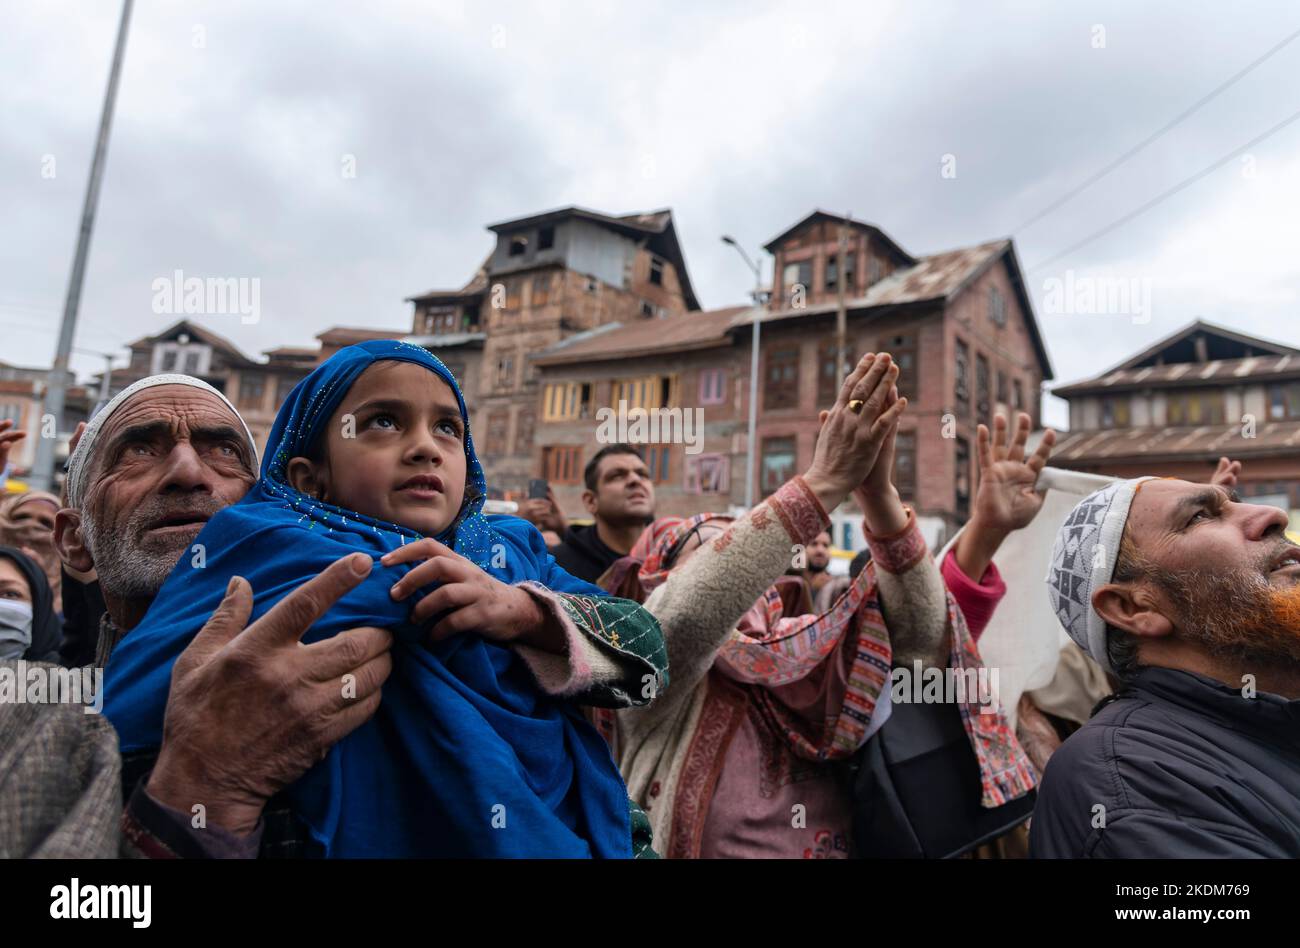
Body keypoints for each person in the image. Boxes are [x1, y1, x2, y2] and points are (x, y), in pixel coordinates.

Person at [101, 341, 667, 858]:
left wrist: (520, 611)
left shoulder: (513, 556)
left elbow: (648, 658)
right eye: (383, 422)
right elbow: (136, 715)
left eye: (447, 428)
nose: (424, 446)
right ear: (308, 478)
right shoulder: (258, 545)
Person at [594, 353, 1035, 857]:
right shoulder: (645, 675)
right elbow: (686, 618)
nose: (747, 568)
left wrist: (879, 496)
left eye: (748, 549)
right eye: (710, 549)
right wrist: (823, 481)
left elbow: (924, 648)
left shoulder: (805, 648)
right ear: (657, 579)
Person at [1032, 475, 1300, 857]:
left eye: (1234, 501)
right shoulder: (1128, 778)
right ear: (1135, 608)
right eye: (1198, 518)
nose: (1273, 514)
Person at [550, 444, 654, 583]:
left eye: (642, 474)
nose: (635, 480)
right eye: (617, 476)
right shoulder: (557, 569)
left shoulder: (675, 560)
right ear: (591, 501)